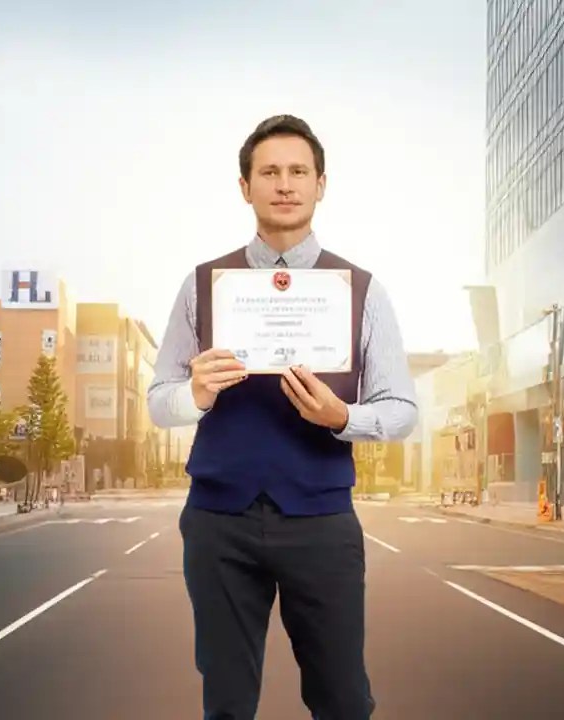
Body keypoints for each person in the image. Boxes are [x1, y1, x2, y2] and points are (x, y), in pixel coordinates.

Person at [147, 114, 418, 720]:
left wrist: (342, 416)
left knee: (344, 699)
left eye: (299, 171)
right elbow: (158, 398)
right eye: (269, 172)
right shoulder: (201, 286)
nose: (285, 183)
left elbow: (402, 409)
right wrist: (194, 395)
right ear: (245, 187)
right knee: (226, 702)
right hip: (220, 520)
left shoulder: (363, 290)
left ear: (322, 184)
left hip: (321, 519)